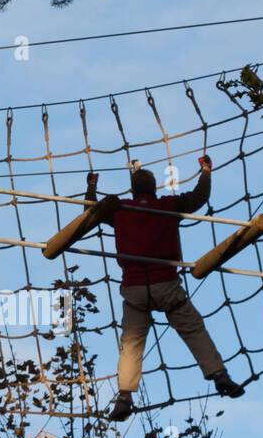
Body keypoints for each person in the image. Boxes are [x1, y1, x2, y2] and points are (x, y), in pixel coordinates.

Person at [85, 158, 245, 421]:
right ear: (155, 189)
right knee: (193, 329)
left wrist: (92, 186)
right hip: (166, 283)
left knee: (131, 345)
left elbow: (91, 211)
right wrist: (205, 171)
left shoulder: (120, 210)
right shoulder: (167, 206)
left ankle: (124, 396)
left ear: (133, 191)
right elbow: (199, 197)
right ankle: (219, 375)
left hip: (134, 287)